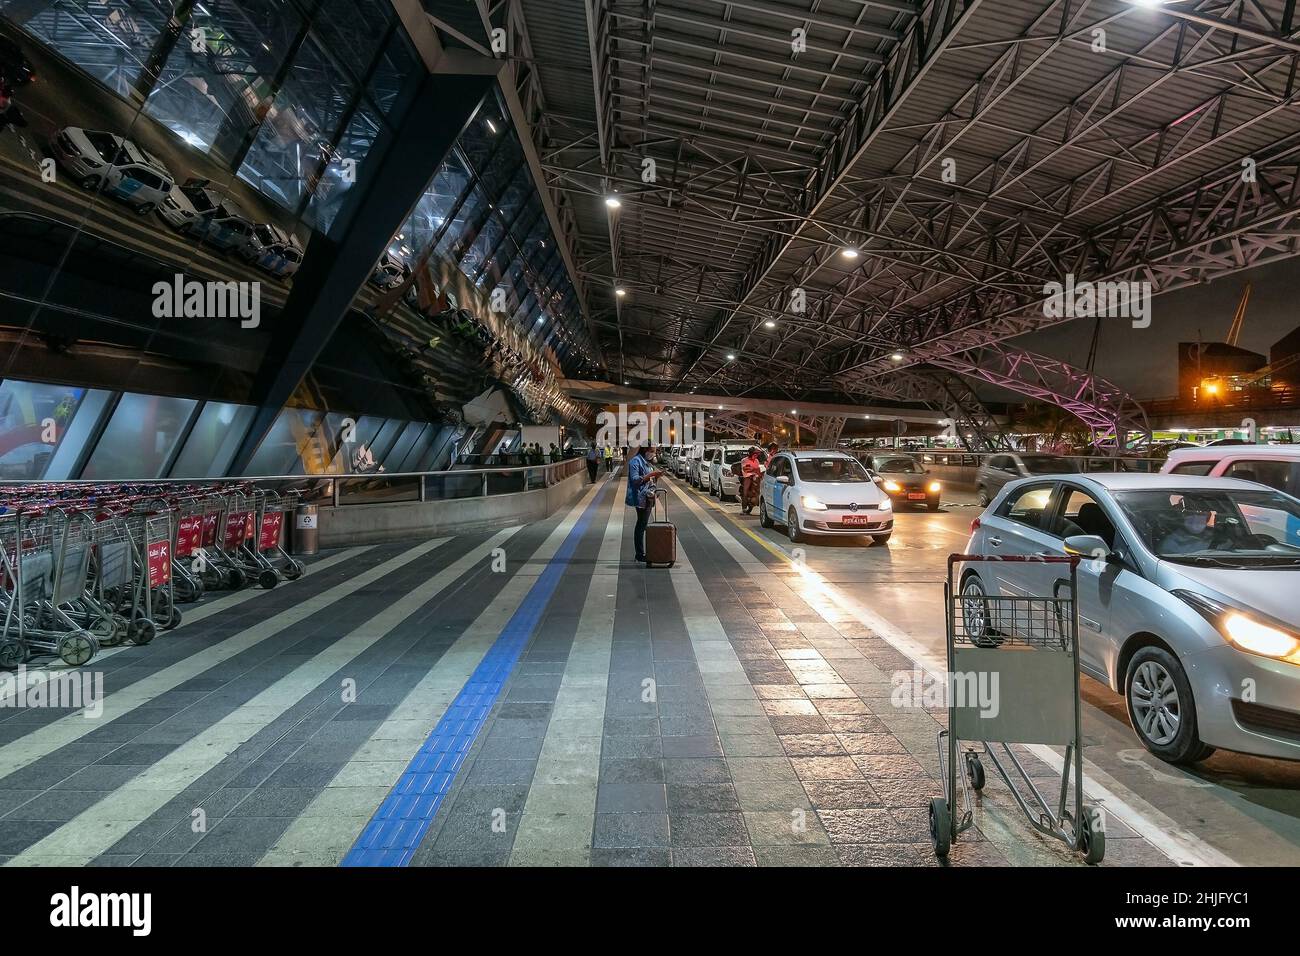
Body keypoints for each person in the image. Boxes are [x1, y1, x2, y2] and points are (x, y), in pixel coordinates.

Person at [626, 444, 663, 563]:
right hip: (640, 497)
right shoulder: (635, 461)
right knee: (641, 525)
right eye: (652, 451)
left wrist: (655, 477)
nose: (653, 454)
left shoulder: (647, 462)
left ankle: (641, 552)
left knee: (642, 524)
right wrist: (651, 475)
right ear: (645, 450)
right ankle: (639, 553)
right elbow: (635, 479)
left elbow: (649, 480)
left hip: (647, 496)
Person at [740, 446, 762, 515]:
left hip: (756, 477)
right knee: (745, 491)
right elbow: (746, 469)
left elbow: (758, 470)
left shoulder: (756, 461)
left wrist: (755, 471)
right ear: (750, 454)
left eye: (756, 455)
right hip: (748, 477)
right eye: (754, 454)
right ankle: (744, 508)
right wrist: (753, 470)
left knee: (760, 489)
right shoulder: (744, 460)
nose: (756, 456)